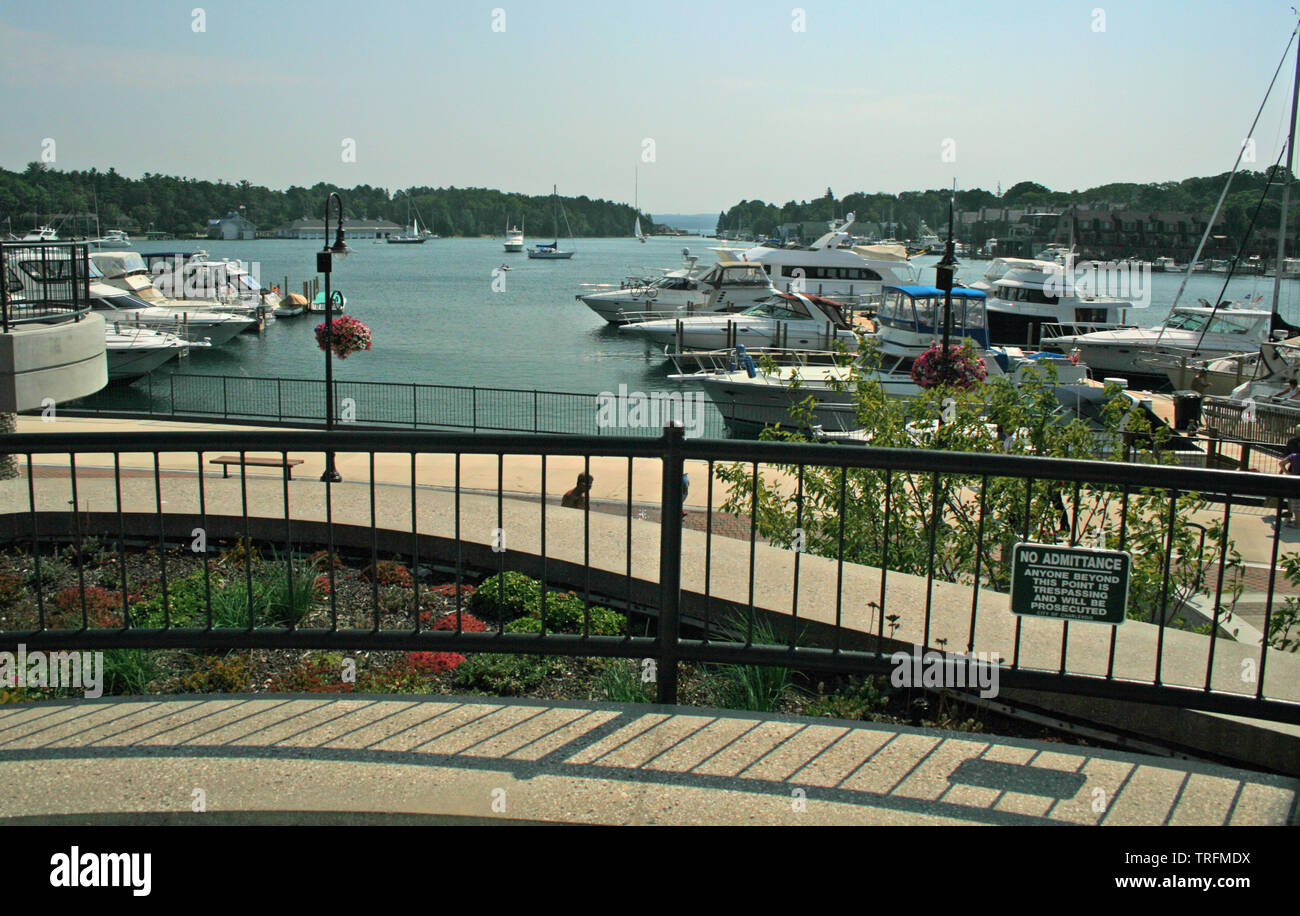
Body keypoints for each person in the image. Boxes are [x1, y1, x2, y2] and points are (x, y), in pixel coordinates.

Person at [1279, 437, 1300, 527]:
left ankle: (1297, 523)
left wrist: (1288, 472)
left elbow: (1281, 463)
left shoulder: (1294, 456)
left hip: (1296, 480)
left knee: (1296, 504)